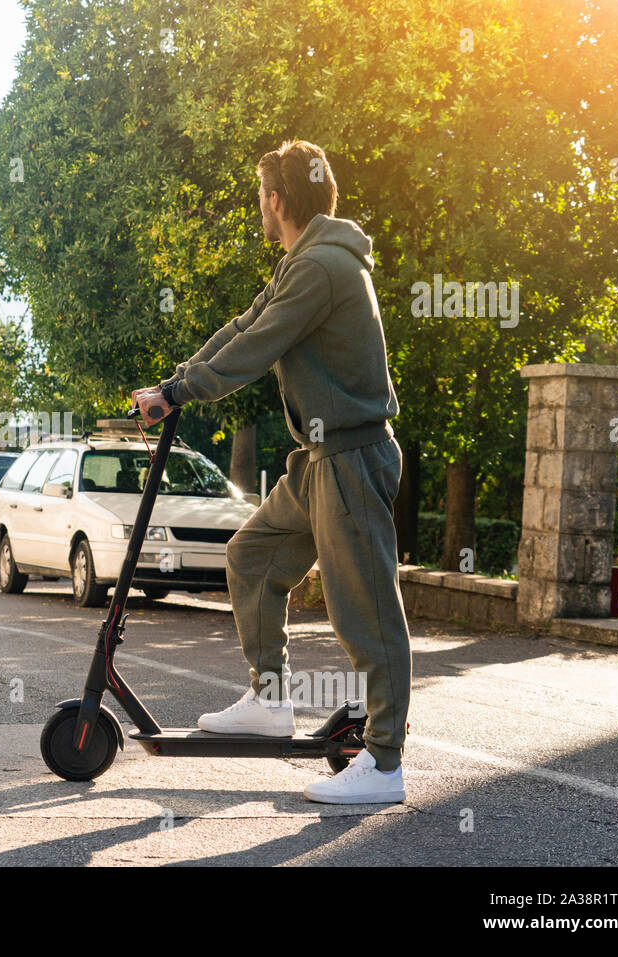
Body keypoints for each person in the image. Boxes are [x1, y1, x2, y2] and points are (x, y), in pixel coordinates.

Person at [131, 140, 411, 805]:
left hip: (351, 456)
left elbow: (257, 347)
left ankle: (386, 762)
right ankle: (269, 696)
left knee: (365, 612)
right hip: (318, 460)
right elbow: (243, 324)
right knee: (252, 557)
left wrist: (180, 394)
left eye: (261, 194)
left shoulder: (319, 268)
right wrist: (175, 382)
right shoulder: (303, 261)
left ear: (277, 199)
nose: (260, 205)